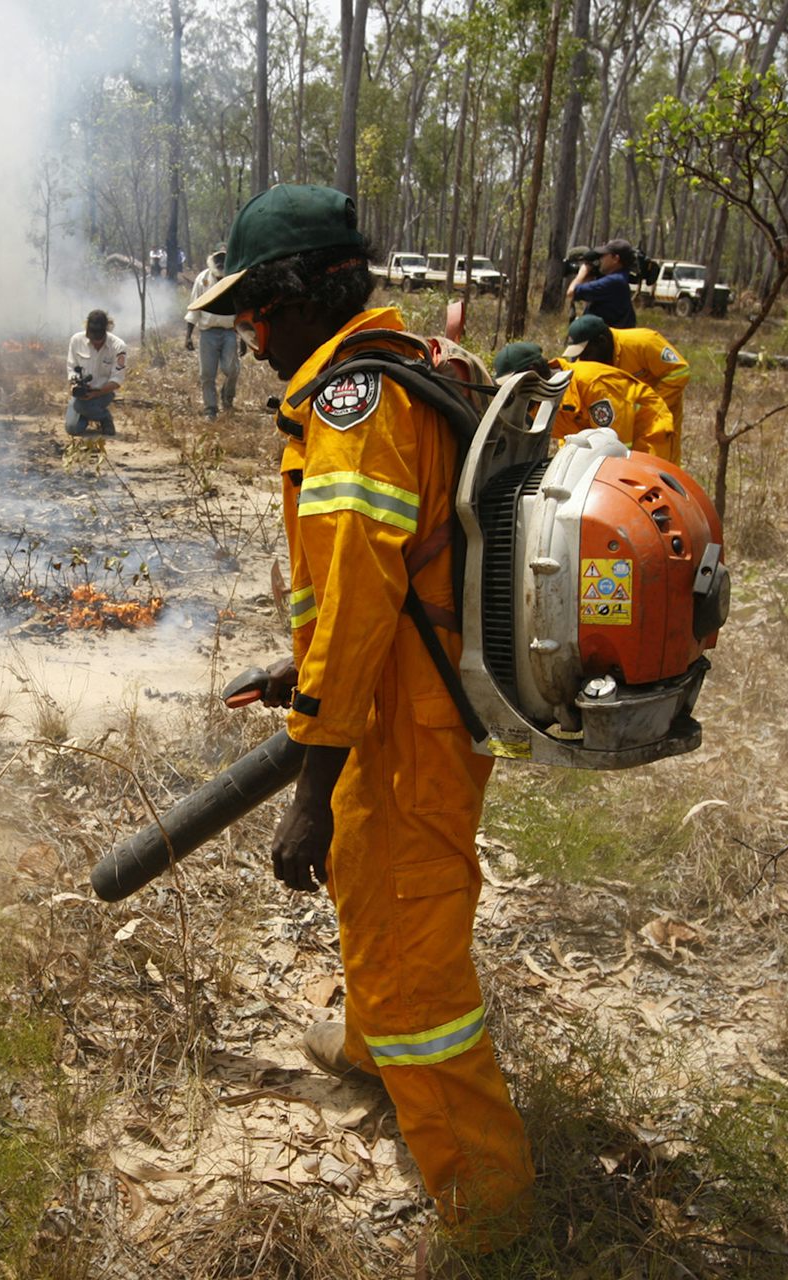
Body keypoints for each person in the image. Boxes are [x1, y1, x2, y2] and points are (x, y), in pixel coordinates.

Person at [188, 184, 534, 1266]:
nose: (247, 339)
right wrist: (305, 665)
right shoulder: (404, 369)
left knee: (418, 966)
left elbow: (365, 593)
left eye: (254, 313)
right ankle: (379, 1055)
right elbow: (380, 586)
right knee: (379, 907)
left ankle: (497, 1217)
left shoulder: (354, 406)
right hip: (399, 709)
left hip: (407, 728)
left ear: (302, 294)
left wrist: (306, 796)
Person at [494, 340, 677, 462]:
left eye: (515, 381)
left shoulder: (592, 384)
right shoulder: (537, 398)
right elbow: (570, 435)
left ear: (532, 371)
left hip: (646, 435)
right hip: (609, 440)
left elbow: (617, 445)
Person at [561, 314, 690, 461]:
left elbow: (680, 371)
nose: (583, 360)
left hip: (657, 421)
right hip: (620, 422)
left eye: (586, 353)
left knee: (660, 466)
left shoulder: (643, 342)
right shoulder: (585, 363)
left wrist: (650, 405)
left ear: (602, 341)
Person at [184, 248, 239, 419]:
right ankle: (210, 409)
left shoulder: (234, 278)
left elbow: (241, 309)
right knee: (207, 374)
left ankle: (227, 397)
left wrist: (245, 337)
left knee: (231, 369)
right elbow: (195, 306)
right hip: (208, 333)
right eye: (218, 259)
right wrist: (188, 336)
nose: (221, 263)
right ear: (212, 261)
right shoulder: (202, 279)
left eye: (224, 259)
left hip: (230, 332)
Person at [65, 308, 127, 436]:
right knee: (72, 429)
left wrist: (95, 393)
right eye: (92, 338)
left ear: (106, 329)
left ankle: (104, 417)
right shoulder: (76, 340)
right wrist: (73, 385)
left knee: (81, 407)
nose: (95, 342)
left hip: (103, 393)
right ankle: (89, 415)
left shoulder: (119, 347)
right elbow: (71, 368)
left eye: (98, 338)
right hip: (80, 394)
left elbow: (117, 380)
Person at [569, 238, 639, 329]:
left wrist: (583, 271)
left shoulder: (614, 281)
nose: (601, 259)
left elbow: (571, 292)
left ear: (615, 259)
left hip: (607, 340)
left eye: (604, 255)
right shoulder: (621, 278)